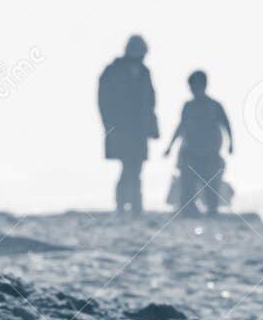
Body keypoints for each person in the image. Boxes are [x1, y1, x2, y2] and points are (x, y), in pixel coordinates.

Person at [97, 35, 160, 215]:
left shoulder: (144, 72)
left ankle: (133, 204)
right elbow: (104, 101)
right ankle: (125, 204)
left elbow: (151, 101)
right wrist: (109, 124)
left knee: (136, 166)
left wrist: (152, 127)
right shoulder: (112, 71)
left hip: (139, 128)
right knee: (129, 165)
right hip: (121, 128)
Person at [164, 70, 233, 216]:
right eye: (191, 87)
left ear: (203, 85)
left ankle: (212, 211)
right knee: (187, 185)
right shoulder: (188, 106)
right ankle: (189, 211)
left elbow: (226, 124)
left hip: (210, 153)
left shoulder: (214, 105)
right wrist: (170, 146)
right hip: (190, 152)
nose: (193, 90)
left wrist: (231, 143)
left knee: (210, 186)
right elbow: (181, 126)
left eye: (195, 86)